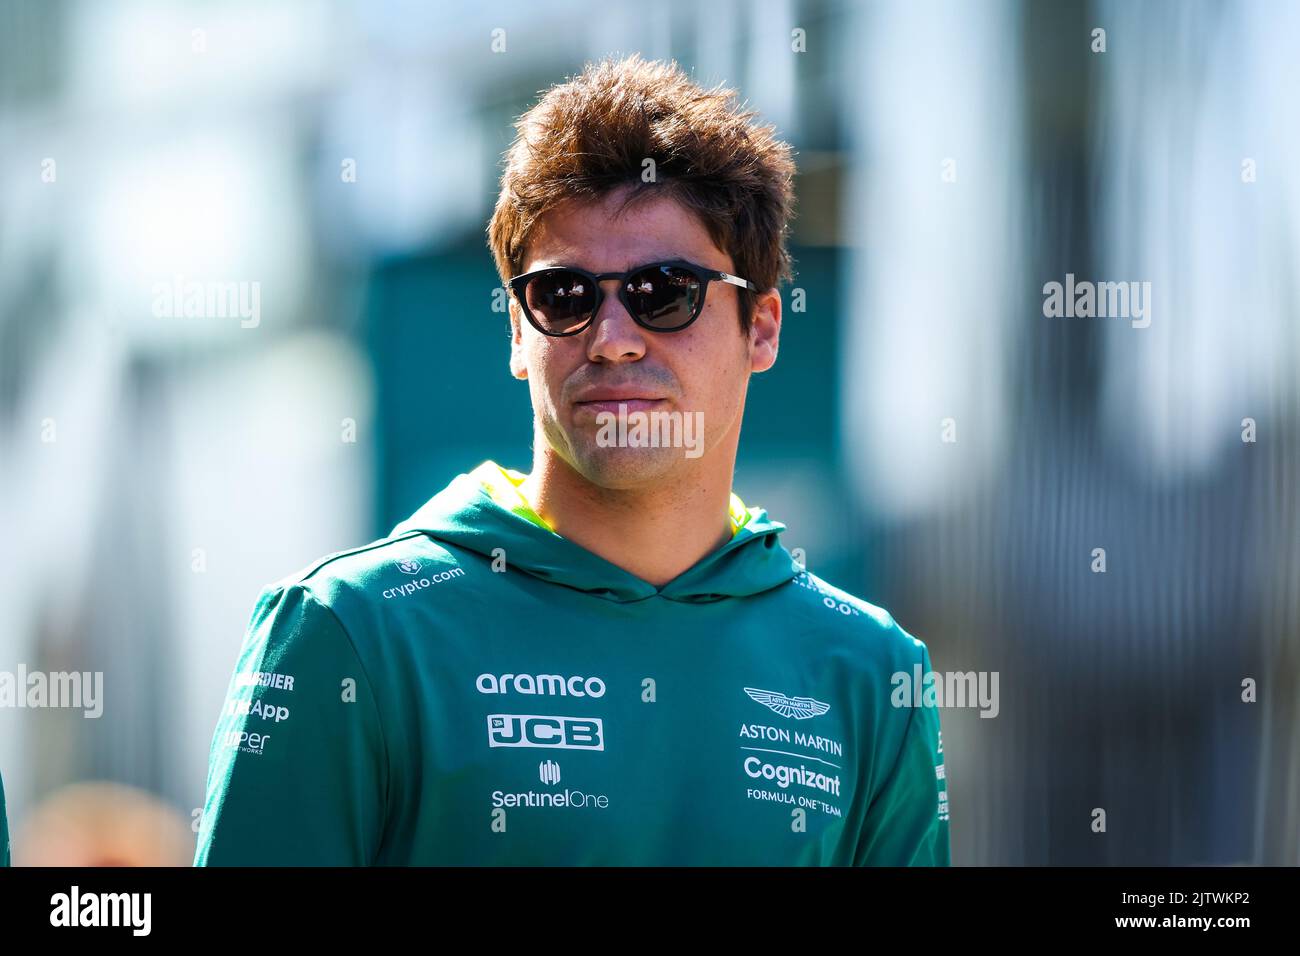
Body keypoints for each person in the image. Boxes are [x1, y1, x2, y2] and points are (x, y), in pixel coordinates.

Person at [195, 53, 949, 866]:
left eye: (666, 291)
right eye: (564, 296)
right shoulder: (350, 631)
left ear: (761, 326)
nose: (614, 339)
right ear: (518, 333)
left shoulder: (874, 672)